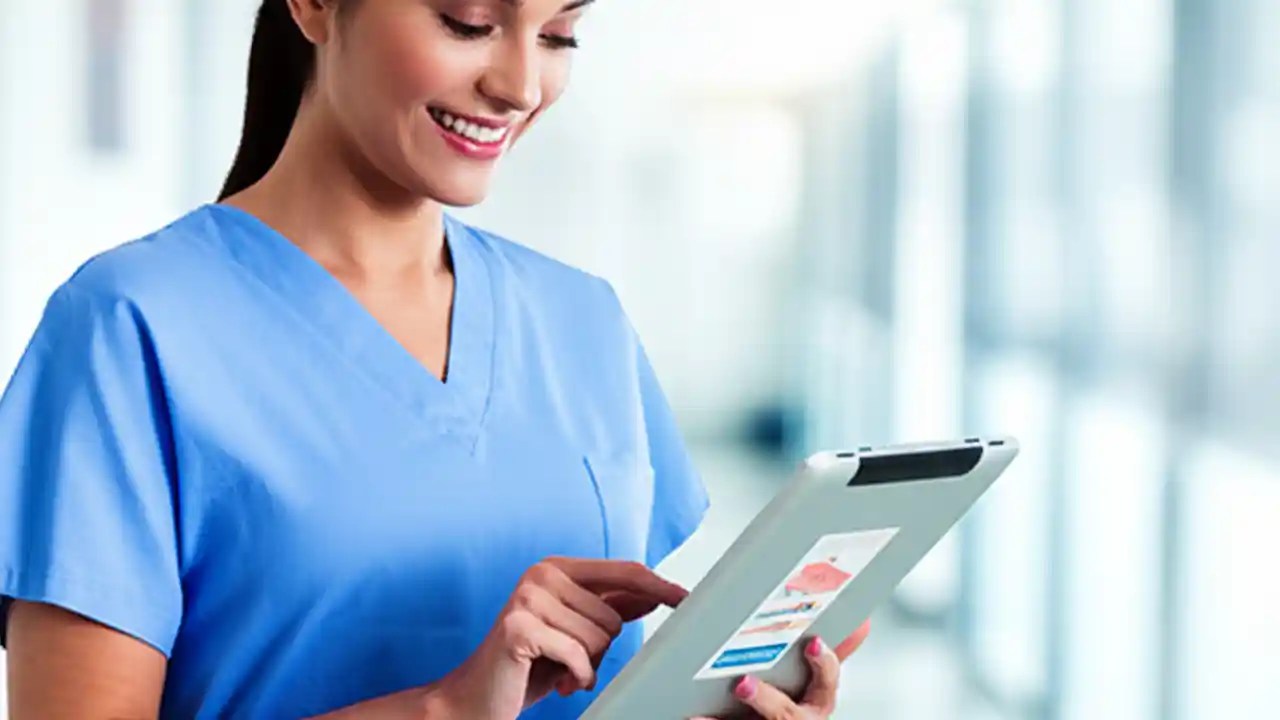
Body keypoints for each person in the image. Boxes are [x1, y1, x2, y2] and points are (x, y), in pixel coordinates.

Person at [0, 1, 870, 717]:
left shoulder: (583, 321)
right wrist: (445, 709)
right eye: (467, 22)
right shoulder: (129, 326)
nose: (520, 85)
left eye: (560, 34)